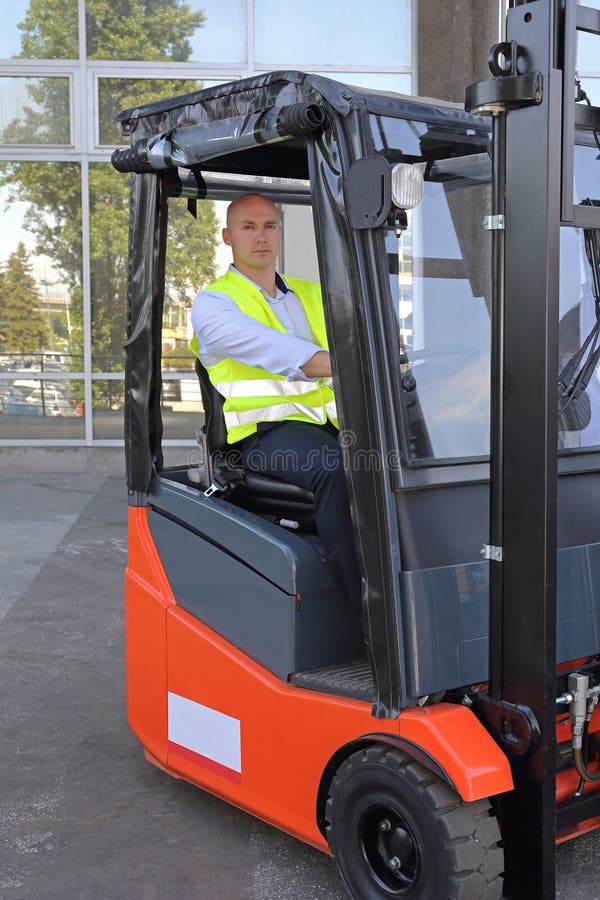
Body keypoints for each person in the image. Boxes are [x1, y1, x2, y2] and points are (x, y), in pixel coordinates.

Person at [190, 192, 363, 629]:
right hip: (262, 436)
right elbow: (280, 352)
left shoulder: (311, 294)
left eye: (269, 226)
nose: (260, 236)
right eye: (248, 227)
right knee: (340, 470)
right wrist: (357, 362)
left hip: (328, 424)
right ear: (228, 236)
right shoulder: (214, 304)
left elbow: (366, 337)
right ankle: (374, 621)